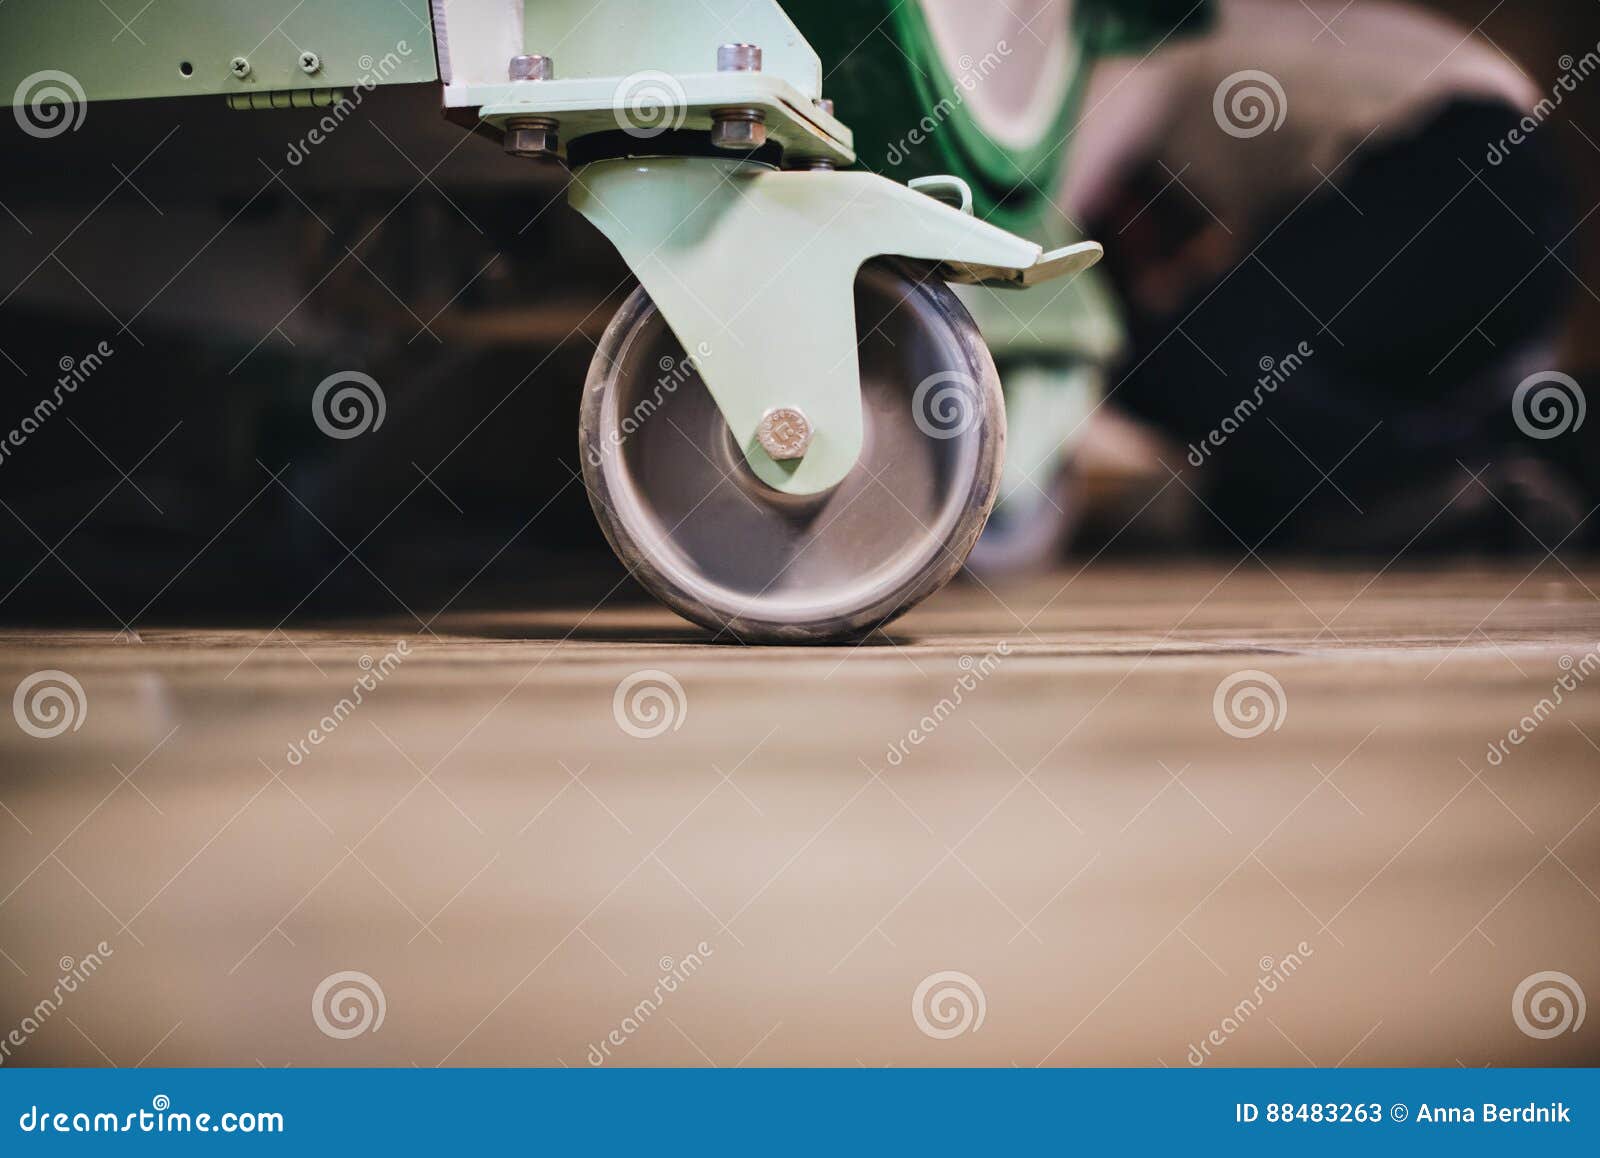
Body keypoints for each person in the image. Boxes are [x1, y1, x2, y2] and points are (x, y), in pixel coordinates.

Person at [1065, 0, 1587, 551]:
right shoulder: (1263, 58)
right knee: (1258, 457)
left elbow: (1052, 212)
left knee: (1177, 357)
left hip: (1469, 169)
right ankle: (1477, 469)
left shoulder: (1154, 39)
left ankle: (1452, 471)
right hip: (1533, 211)